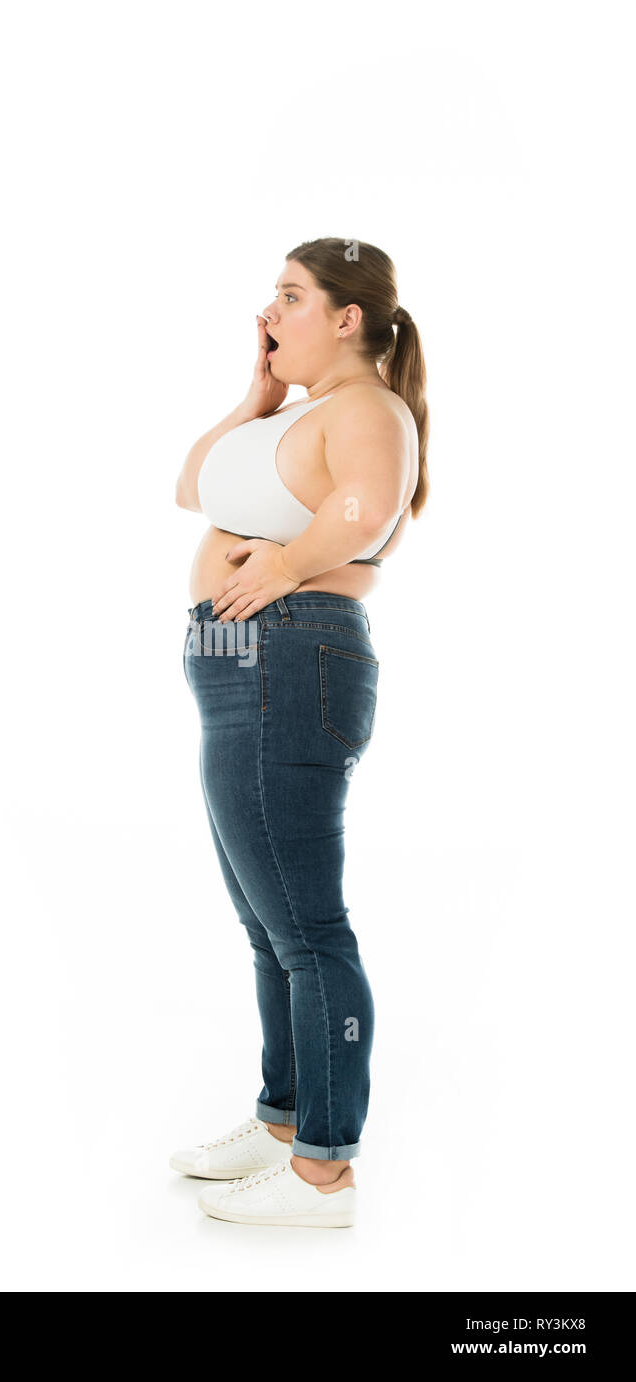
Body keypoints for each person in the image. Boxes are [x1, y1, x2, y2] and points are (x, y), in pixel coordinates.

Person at [172, 237, 429, 1227]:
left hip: (292, 650)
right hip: (245, 660)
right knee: (265, 919)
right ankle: (284, 1122)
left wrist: (283, 567)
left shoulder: (370, 409)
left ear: (347, 317)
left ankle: (324, 1172)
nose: (270, 313)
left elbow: (364, 511)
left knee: (307, 925)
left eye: (290, 297)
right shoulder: (308, 411)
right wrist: (256, 396)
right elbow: (191, 487)